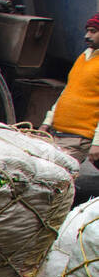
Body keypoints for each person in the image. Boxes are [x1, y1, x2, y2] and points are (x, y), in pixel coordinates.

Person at [43, 16, 99, 167]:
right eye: (87, 31)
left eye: (93, 31)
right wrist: (47, 123)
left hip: (79, 138)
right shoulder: (84, 56)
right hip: (59, 134)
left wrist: (97, 144)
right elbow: (67, 92)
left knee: (55, 171)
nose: (87, 36)